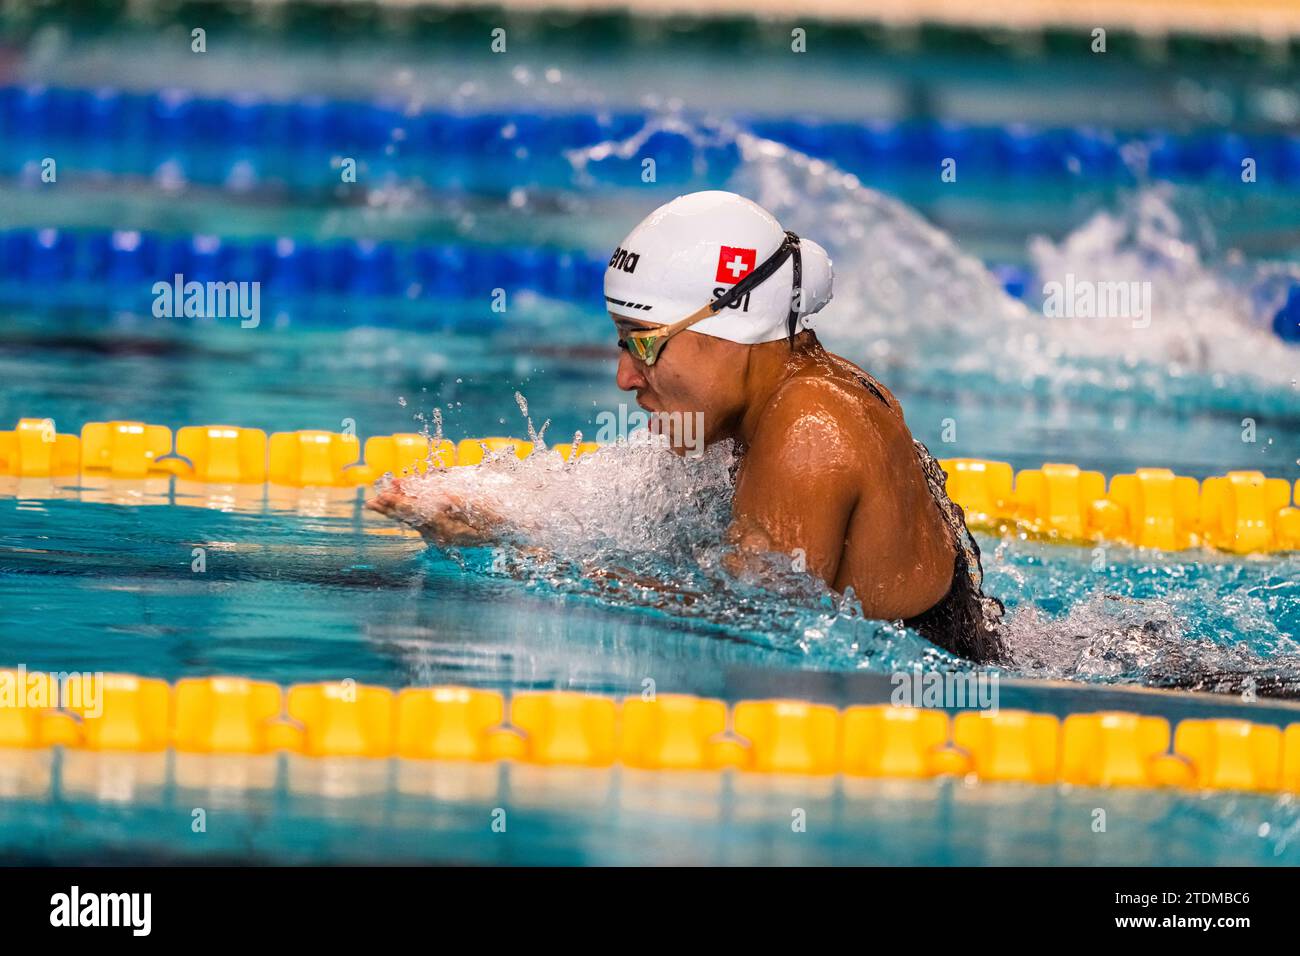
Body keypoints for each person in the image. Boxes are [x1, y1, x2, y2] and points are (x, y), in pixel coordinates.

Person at [369, 190, 1006, 663]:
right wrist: (502, 504)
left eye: (642, 345)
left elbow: (754, 622)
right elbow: (621, 511)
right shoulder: (763, 403)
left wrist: (513, 556)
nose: (624, 377)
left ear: (730, 324)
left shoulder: (809, 426)